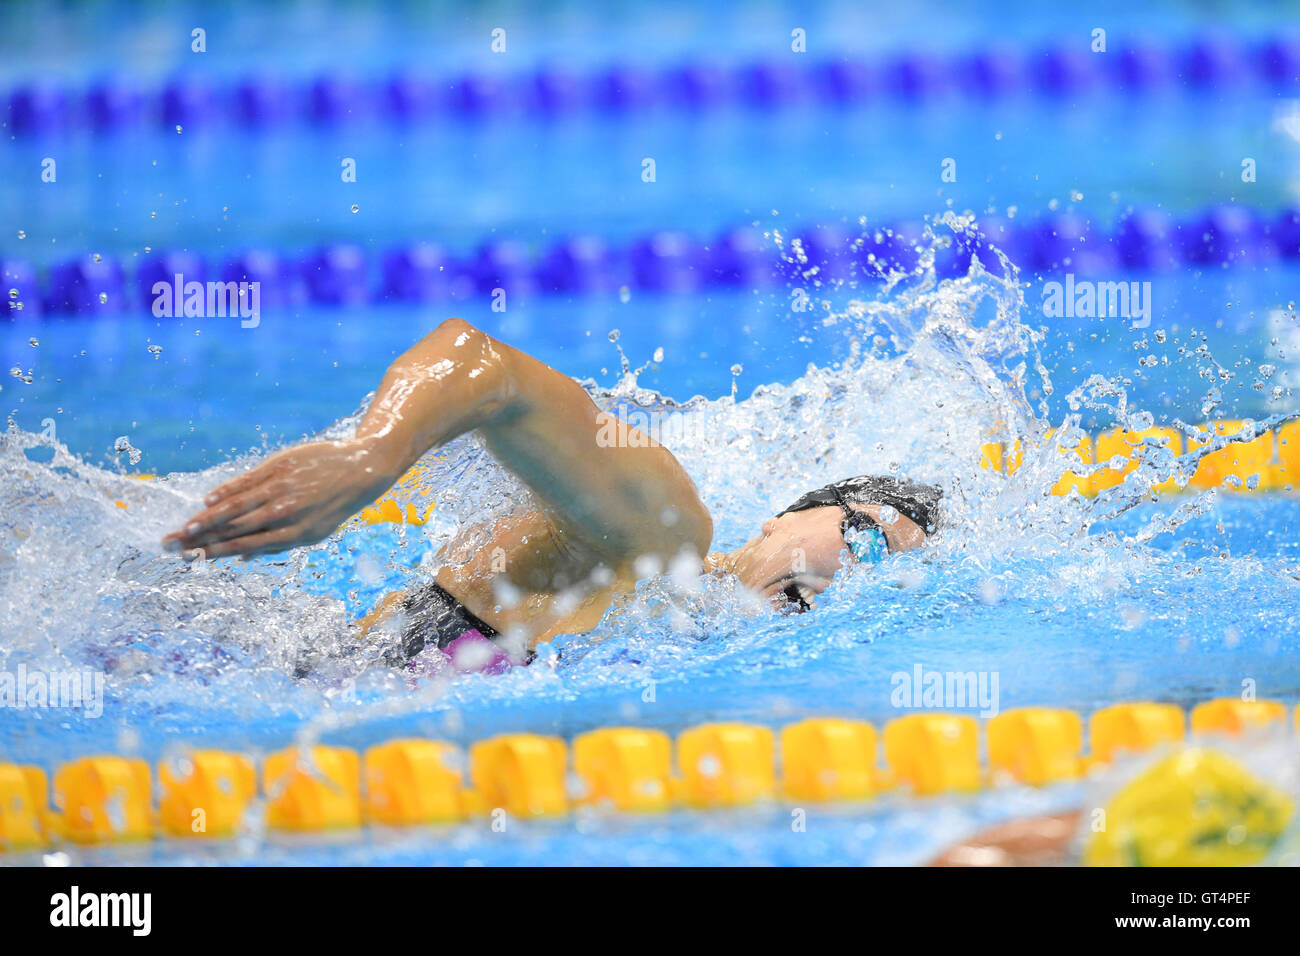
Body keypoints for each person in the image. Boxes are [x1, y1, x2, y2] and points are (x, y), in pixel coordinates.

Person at [163, 318, 941, 669]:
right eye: (866, 537)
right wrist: (372, 455)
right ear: (787, 517)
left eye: (888, 578)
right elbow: (481, 365)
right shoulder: (661, 539)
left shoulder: (694, 658)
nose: (859, 575)